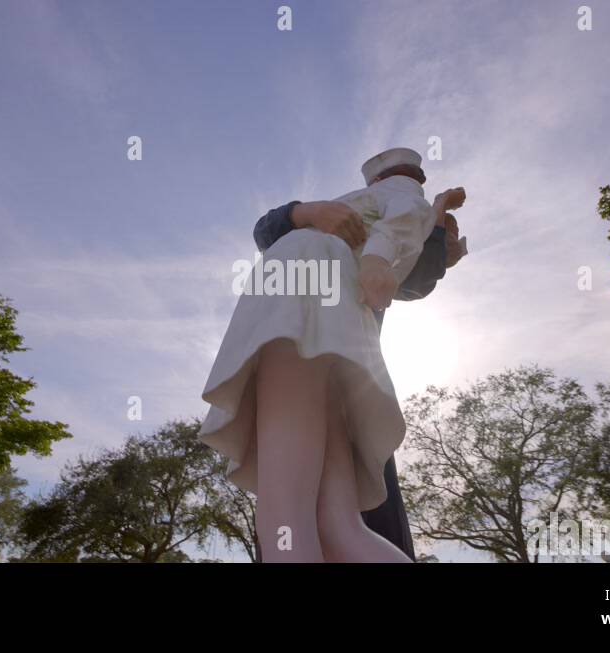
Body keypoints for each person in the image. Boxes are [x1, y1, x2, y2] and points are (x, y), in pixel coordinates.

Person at [199, 148, 465, 562]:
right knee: (337, 524)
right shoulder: (370, 210)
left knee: (286, 511)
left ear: (375, 180)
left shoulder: (383, 204)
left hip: (300, 304)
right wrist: (311, 215)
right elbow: (273, 228)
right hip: (334, 333)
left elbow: (407, 250)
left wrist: (393, 251)